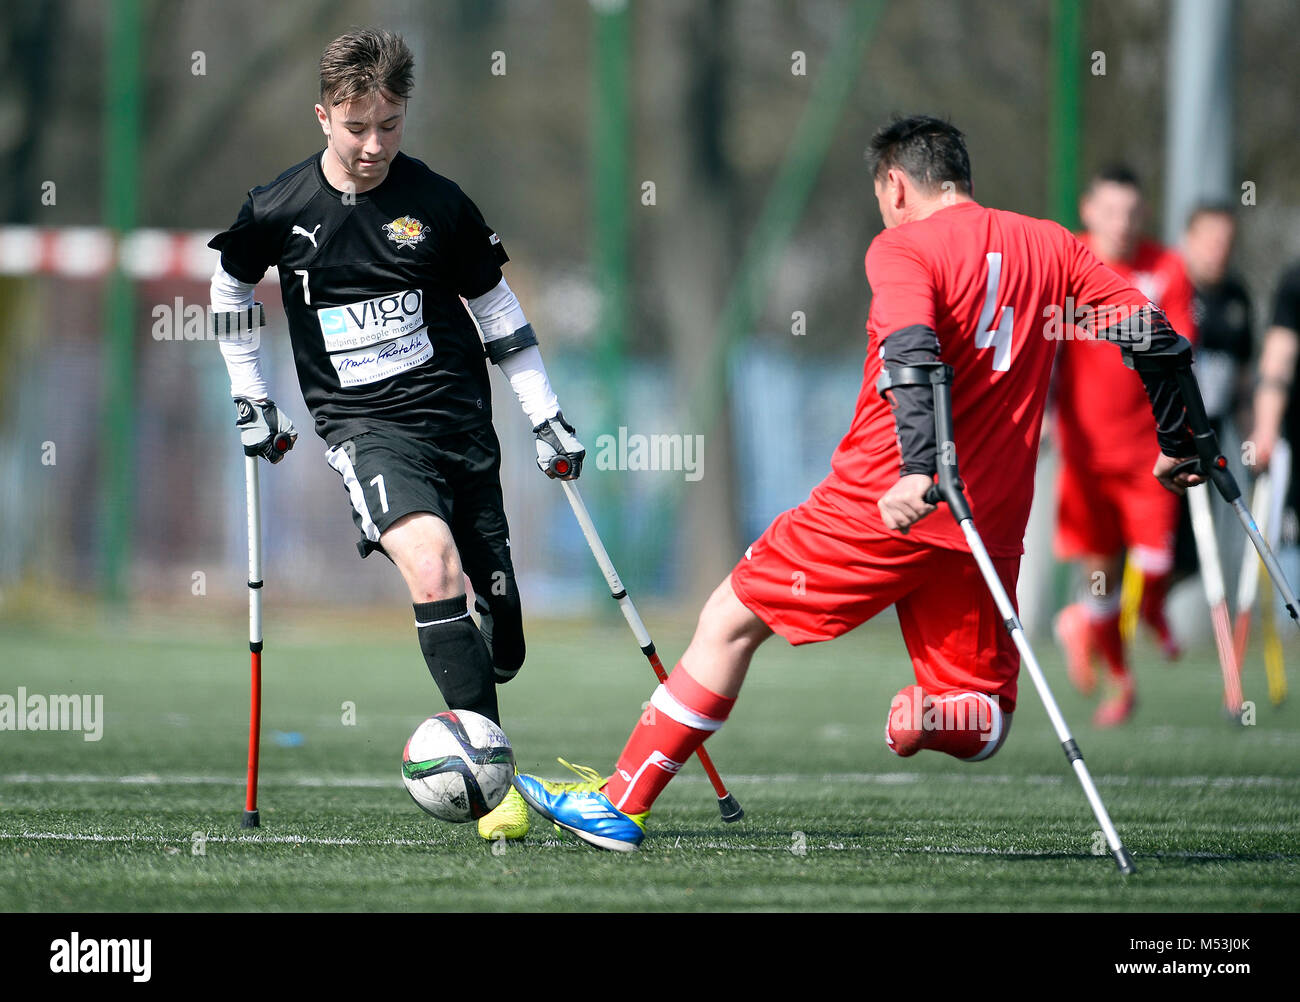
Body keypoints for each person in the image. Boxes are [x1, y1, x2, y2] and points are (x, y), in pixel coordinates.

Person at [511, 116, 1202, 851]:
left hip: (884, 504)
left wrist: (916, 470)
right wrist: (1182, 439)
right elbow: (1155, 336)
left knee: (728, 620)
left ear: (896, 185)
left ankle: (622, 803)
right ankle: (932, 717)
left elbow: (912, 351)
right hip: (986, 519)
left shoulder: (903, 245)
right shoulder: (1054, 244)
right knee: (986, 708)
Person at [206, 28, 586, 842]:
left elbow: (497, 311)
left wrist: (544, 412)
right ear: (323, 117)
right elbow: (231, 281)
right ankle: (497, 787)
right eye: (356, 128)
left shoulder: (439, 202)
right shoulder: (278, 207)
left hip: (458, 419)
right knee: (430, 562)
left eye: (390, 125)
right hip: (362, 427)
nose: (374, 145)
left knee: (502, 625)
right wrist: (251, 394)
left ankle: (495, 637)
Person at [1051, 166, 1198, 727]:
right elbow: (1048, 350)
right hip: (1086, 457)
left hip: (1150, 456)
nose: (1122, 223)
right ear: (1089, 210)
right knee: (1101, 580)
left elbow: (1179, 347)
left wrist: (1184, 430)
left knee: (1157, 560)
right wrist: (1039, 416)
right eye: (1111, 211)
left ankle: (1131, 615)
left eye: (1133, 212)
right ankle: (1120, 679)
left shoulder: (1165, 268)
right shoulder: (1068, 264)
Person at [1171, 203, 1254, 580]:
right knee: (1152, 545)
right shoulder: (1170, 287)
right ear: (1189, 240)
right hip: (1167, 435)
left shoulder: (1237, 297)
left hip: (1211, 436)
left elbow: (1242, 376)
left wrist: (1251, 438)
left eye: (1226, 242)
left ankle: (1150, 616)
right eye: (1209, 241)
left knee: (1190, 555)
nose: (1218, 250)